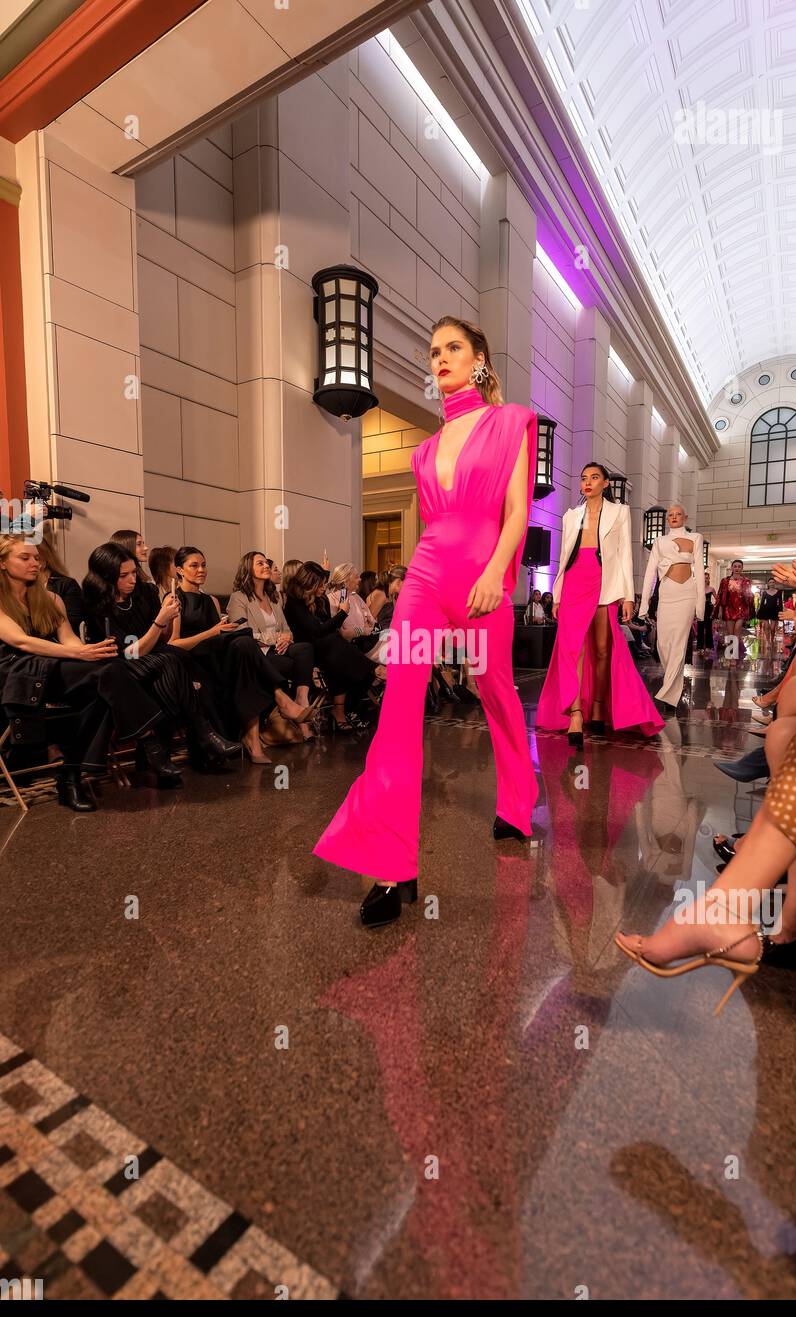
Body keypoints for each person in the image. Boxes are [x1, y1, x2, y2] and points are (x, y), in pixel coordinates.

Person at [313, 315, 539, 927]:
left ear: (479, 359)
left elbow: (518, 511)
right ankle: (393, 866)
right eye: (434, 350)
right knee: (399, 708)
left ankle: (518, 801)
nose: (440, 358)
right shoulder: (425, 450)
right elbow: (433, 527)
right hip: (426, 575)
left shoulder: (512, 421)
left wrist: (497, 573)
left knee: (494, 689)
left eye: (453, 348)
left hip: (482, 577)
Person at [616, 498, 796, 1013]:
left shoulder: (703, 546)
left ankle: (758, 906)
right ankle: (773, 904)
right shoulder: (662, 544)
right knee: (795, 731)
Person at [0, 537, 170, 810]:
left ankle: (70, 776)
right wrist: (81, 655)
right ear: (3, 564)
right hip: (16, 672)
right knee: (105, 674)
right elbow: (22, 642)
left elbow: (68, 640)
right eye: (25, 558)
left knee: (105, 680)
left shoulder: (51, 598)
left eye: (36, 557)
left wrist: (91, 652)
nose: (35, 562)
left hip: (52, 667)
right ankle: (148, 737)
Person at [82, 543, 240, 782]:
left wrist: (168, 619)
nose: (132, 579)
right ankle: (202, 733)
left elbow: (163, 639)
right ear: (106, 576)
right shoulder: (97, 603)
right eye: (124, 575)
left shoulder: (144, 592)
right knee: (172, 661)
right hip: (119, 668)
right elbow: (130, 653)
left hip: (154, 659)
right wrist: (159, 622)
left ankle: (159, 752)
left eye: (134, 572)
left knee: (174, 660)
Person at [538, 463, 662, 745]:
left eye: (594, 478)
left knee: (604, 649)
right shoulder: (571, 515)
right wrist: (557, 595)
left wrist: (628, 595)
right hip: (574, 581)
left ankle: (597, 706)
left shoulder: (619, 512)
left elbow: (624, 555)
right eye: (584, 478)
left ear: (606, 483)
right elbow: (563, 554)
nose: (588, 483)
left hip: (604, 582)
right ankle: (576, 715)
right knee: (574, 649)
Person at [170, 547, 318, 762]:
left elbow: (222, 638)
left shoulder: (211, 600)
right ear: (179, 570)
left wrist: (221, 632)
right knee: (245, 644)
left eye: (203, 565)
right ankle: (281, 702)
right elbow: (174, 644)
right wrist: (213, 632)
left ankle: (257, 737)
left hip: (218, 655)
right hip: (194, 660)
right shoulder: (174, 599)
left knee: (245, 644)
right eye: (194, 565)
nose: (201, 570)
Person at [283, 562, 383, 731]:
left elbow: (327, 627)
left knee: (337, 658)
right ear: (309, 585)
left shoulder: (320, 599)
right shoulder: (294, 603)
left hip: (328, 649)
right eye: (320, 584)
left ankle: (340, 713)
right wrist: (343, 612)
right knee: (334, 644)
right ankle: (373, 671)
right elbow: (318, 630)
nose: (324, 587)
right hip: (306, 649)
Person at [638, 504, 705, 712]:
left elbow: (700, 572)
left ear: (685, 517)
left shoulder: (695, 538)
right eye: (670, 515)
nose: (674, 517)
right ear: (667, 520)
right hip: (666, 594)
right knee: (663, 644)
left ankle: (669, 694)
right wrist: (644, 604)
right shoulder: (660, 541)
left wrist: (700, 604)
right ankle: (672, 684)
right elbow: (650, 572)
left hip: (687, 594)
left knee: (678, 643)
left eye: (678, 514)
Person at [35, 530, 86, 636]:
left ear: (46, 557)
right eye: (24, 558)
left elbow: (69, 631)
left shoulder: (66, 586)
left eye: (36, 557)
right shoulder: (13, 587)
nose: (32, 563)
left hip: (58, 647)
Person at [713, 559, 753, 662]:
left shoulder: (746, 581)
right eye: (735, 566)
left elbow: (749, 598)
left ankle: (734, 658)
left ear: (742, 568)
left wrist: (749, 611)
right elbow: (720, 596)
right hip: (728, 609)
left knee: (737, 630)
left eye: (739, 566)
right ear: (732, 568)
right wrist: (720, 611)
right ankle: (730, 654)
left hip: (741, 609)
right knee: (730, 634)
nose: (737, 568)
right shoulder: (725, 581)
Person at [696, 570, 716, 655]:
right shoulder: (698, 589)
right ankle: (700, 648)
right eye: (704, 578)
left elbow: (717, 600)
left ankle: (708, 647)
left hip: (708, 609)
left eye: (707, 578)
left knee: (708, 628)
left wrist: (714, 609)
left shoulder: (711, 589)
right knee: (700, 628)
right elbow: (695, 600)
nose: (705, 579)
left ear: (709, 579)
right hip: (700, 609)